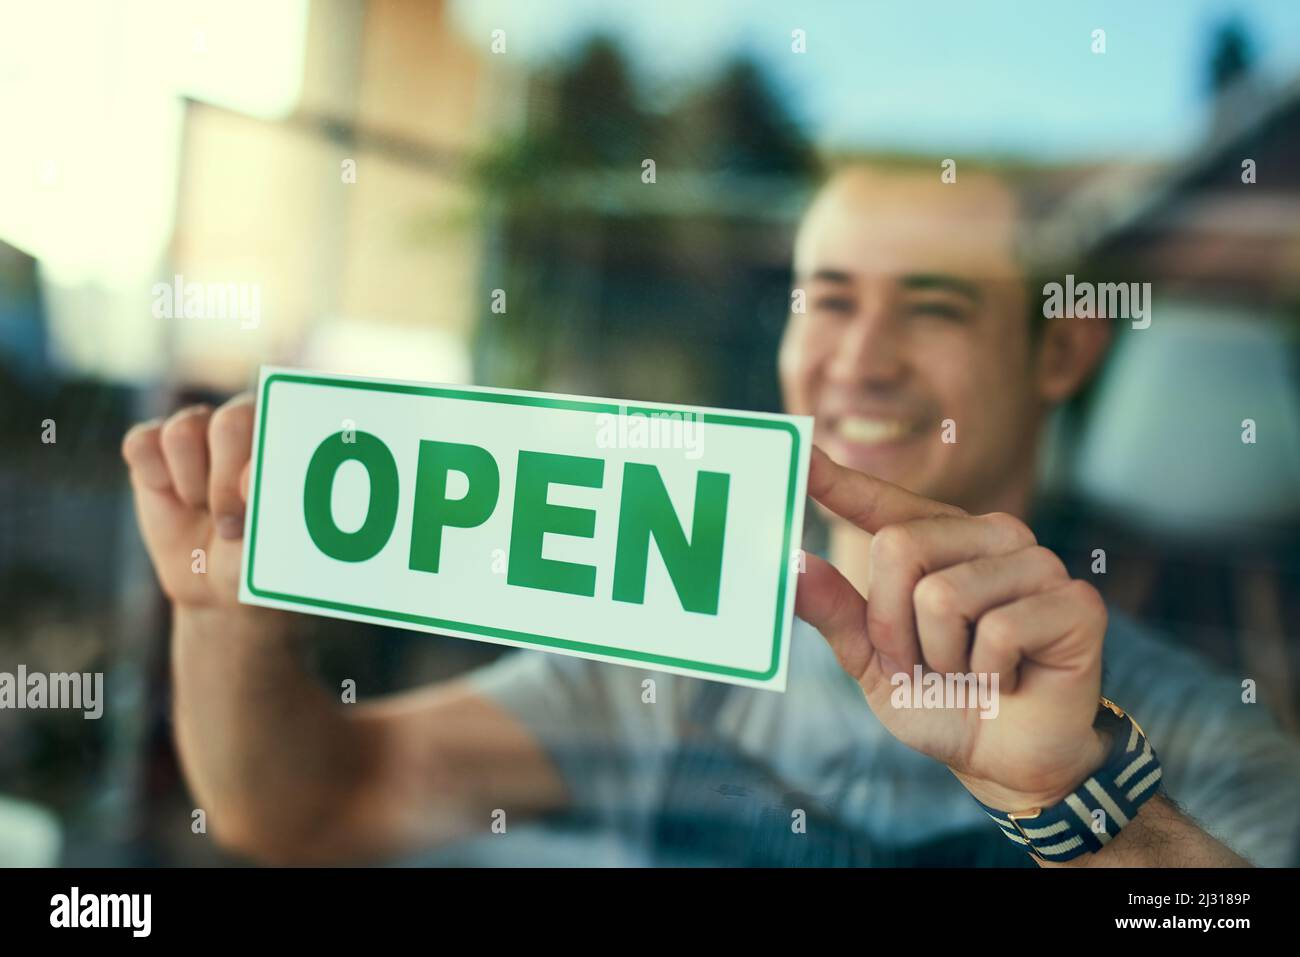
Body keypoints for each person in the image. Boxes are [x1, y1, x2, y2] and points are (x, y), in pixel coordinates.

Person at [121, 162, 1300, 867]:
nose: (861, 360)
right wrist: (229, 618)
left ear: (1061, 349)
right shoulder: (670, 655)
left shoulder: (1200, 737)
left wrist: (1075, 802)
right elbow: (308, 804)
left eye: (930, 307)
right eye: (827, 301)